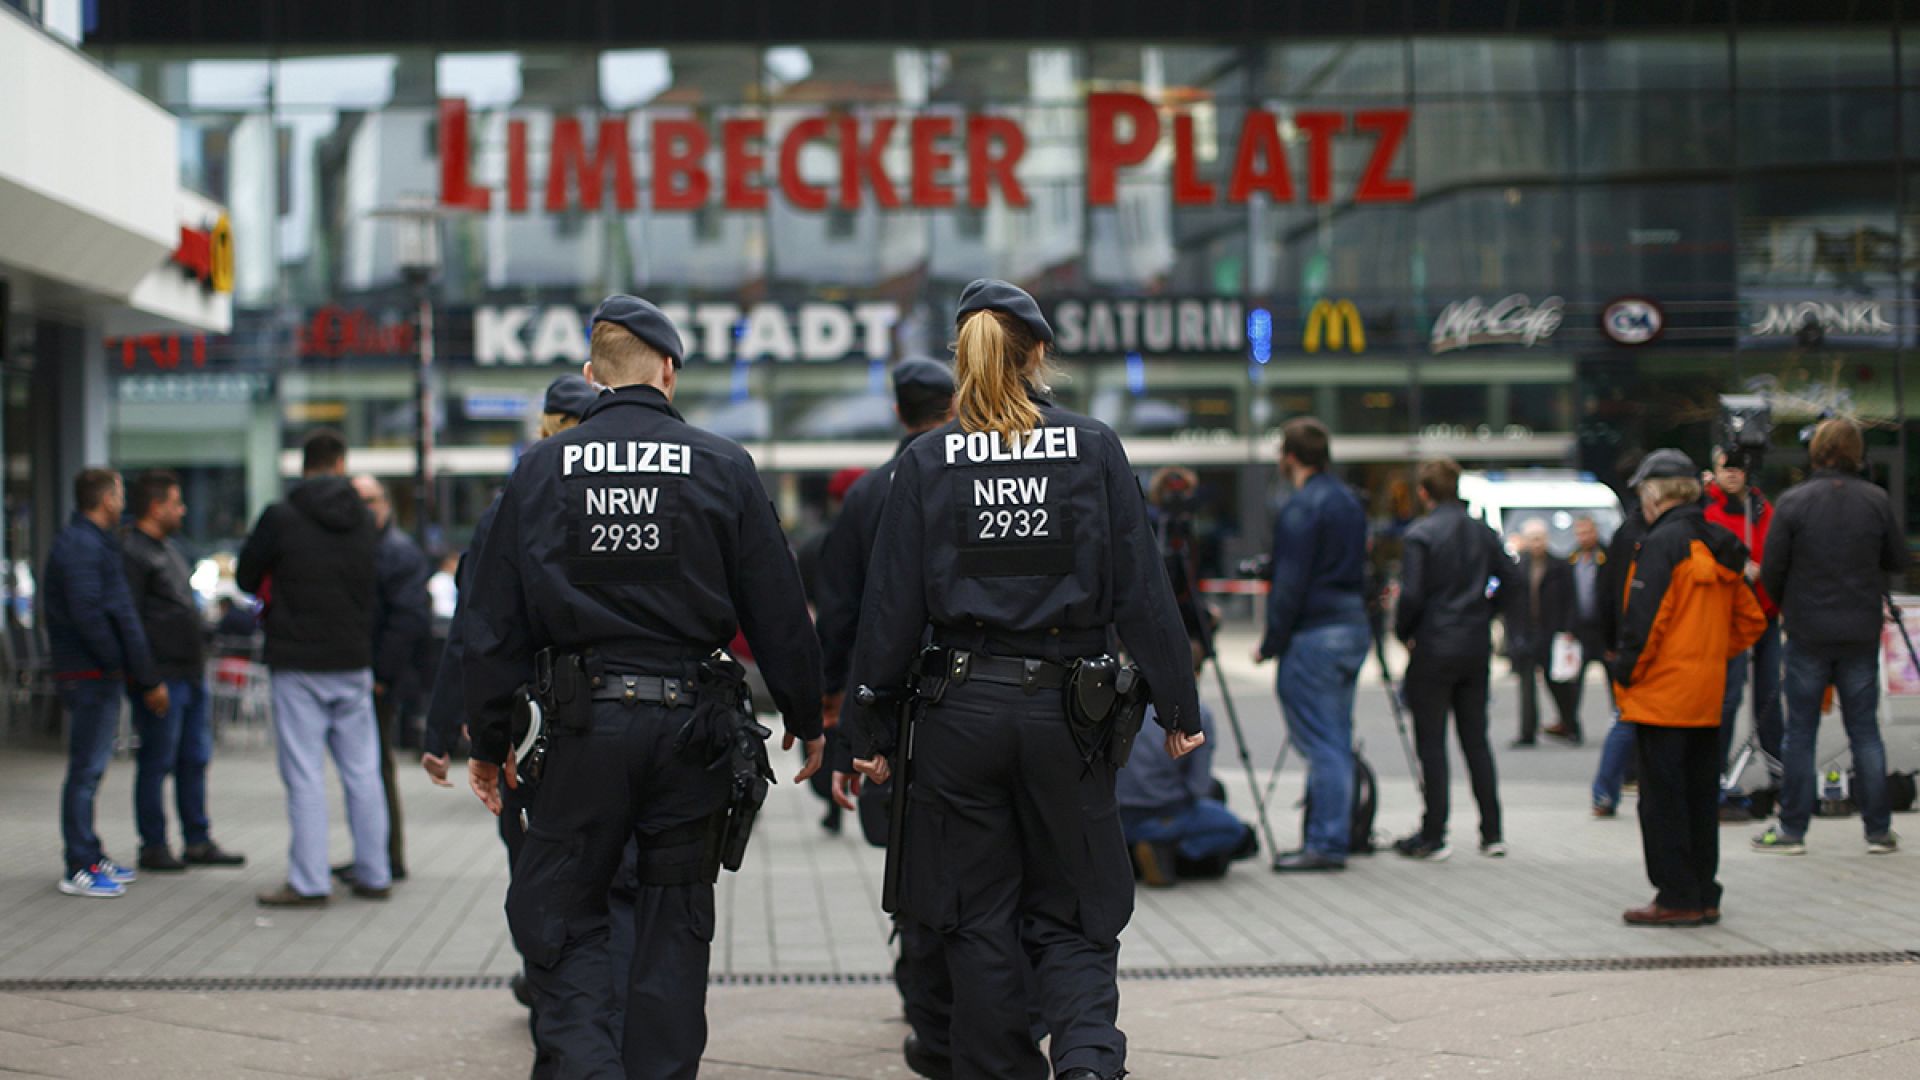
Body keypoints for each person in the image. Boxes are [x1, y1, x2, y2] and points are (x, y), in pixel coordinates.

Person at [845, 279, 1202, 1080]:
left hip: (956, 718)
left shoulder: (929, 459)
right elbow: (1142, 589)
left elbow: (891, 607)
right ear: (1039, 354)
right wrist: (1177, 705)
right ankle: (1086, 1061)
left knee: (977, 918)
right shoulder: (1094, 447)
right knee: (1075, 913)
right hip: (1067, 719)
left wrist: (867, 734)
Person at [463, 296, 824, 1077]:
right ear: (667, 370)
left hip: (578, 727)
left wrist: (489, 742)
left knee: (561, 909)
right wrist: (807, 712)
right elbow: (777, 607)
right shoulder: (723, 465)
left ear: (593, 378)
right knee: (672, 918)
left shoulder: (541, 470)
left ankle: (585, 1062)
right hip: (691, 728)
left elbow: (492, 624)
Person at [421, 373, 602, 1041]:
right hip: (615, 715)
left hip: (532, 725)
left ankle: (549, 978)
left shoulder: (514, 503)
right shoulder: (619, 502)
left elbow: (476, 633)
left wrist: (460, 732)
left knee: (532, 858)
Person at [816, 356, 960, 1080]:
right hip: (981, 700)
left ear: (901, 414)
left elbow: (839, 612)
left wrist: (836, 710)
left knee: (916, 859)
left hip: (900, 712)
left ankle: (929, 1008)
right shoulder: (979, 471)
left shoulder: (872, 493)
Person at [1611, 450, 1766, 926]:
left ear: (1656, 493)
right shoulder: (1718, 540)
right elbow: (1751, 619)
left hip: (1662, 695)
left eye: (1643, 493)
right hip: (1705, 693)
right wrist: (1709, 653)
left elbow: (1646, 620)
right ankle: (1703, 893)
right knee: (1701, 798)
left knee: (1662, 803)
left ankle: (1676, 896)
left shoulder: (1661, 543)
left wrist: (1626, 673)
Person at [236, 429, 390, 907]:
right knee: (363, 771)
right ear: (341, 464)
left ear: (304, 466)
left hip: (297, 659)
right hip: (352, 656)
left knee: (304, 774)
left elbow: (245, 576)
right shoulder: (363, 519)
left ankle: (309, 880)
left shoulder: (280, 517)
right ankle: (374, 871)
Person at [1754, 418, 1908, 856]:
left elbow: (1772, 569)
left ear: (1817, 450)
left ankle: (1792, 830)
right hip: (1859, 629)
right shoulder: (1876, 500)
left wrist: (1790, 606)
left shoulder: (1795, 501)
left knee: (1800, 732)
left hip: (1807, 630)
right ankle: (1878, 830)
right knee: (1864, 730)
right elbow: (1896, 558)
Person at [1252, 417, 1370, 872]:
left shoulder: (1301, 507)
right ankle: (1333, 833)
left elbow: (1291, 583)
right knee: (1336, 736)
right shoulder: (1348, 502)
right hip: (1350, 626)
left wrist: (1271, 642)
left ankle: (1325, 842)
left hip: (1315, 633)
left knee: (1321, 743)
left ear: (1290, 458)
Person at [44, 468, 165, 898]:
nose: (122, 502)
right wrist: (115, 660)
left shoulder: (93, 542)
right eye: (117, 493)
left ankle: (90, 854)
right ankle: (79, 864)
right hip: (89, 673)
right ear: (105, 499)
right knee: (85, 771)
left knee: (91, 769)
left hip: (97, 672)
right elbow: (88, 611)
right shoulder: (80, 545)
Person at [122, 469, 244, 872]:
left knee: (194, 757)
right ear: (157, 507)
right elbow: (131, 622)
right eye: (176, 502)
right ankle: (153, 844)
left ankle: (197, 839)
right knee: (158, 760)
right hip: (163, 675)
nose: (183, 509)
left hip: (190, 672)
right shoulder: (134, 554)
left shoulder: (169, 549)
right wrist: (148, 678)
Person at [1392, 458, 1511, 861]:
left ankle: (1435, 831)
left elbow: (1411, 595)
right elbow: (1509, 578)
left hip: (1434, 644)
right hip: (1474, 643)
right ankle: (1492, 831)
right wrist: (1486, 611)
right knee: (1476, 740)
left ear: (1424, 492)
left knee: (1433, 742)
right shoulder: (1482, 532)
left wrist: (1405, 632)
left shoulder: (1421, 535)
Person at [345, 474, 432, 884]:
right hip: (366, 671)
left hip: (380, 676)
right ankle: (374, 852)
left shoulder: (396, 552)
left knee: (375, 768)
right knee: (368, 768)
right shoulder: (368, 548)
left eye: (371, 500)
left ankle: (384, 856)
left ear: (385, 504)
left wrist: (382, 674)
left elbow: (408, 619)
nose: (365, 509)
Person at [1119, 648, 1256, 886]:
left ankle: (1132, 852)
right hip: (1164, 810)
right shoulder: (1197, 714)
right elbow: (1199, 787)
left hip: (1114, 813)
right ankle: (1164, 847)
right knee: (1236, 832)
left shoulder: (1115, 704)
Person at [1702, 447, 1783, 812]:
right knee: (1728, 698)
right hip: (1727, 618)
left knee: (1768, 698)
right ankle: (1714, 776)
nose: (1733, 474)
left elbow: (1779, 548)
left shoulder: (1763, 508)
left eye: (1739, 468)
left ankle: (1779, 774)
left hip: (1764, 612)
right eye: (1726, 467)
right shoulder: (1706, 510)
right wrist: (1738, 569)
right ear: (1714, 470)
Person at [795, 464, 866, 837]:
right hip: (864, 645)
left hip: (828, 642)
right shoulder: (876, 534)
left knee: (831, 718)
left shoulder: (813, 545)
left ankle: (831, 796)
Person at [1505, 518, 1578, 747]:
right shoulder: (1519, 568)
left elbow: (1571, 600)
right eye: (1532, 539)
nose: (1537, 543)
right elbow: (1512, 603)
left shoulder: (1560, 566)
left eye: (1540, 538)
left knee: (1557, 682)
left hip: (1552, 630)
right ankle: (1527, 731)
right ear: (1526, 541)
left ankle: (1570, 724)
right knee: (1526, 684)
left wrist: (1569, 629)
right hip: (1527, 631)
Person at [1562, 516, 1610, 737]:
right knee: (1573, 682)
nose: (1584, 537)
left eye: (1587, 532)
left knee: (1613, 678)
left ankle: (1620, 720)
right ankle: (1571, 725)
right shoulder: (1572, 559)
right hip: (1580, 630)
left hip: (1603, 630)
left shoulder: (1606, 557)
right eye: (1580, 533)